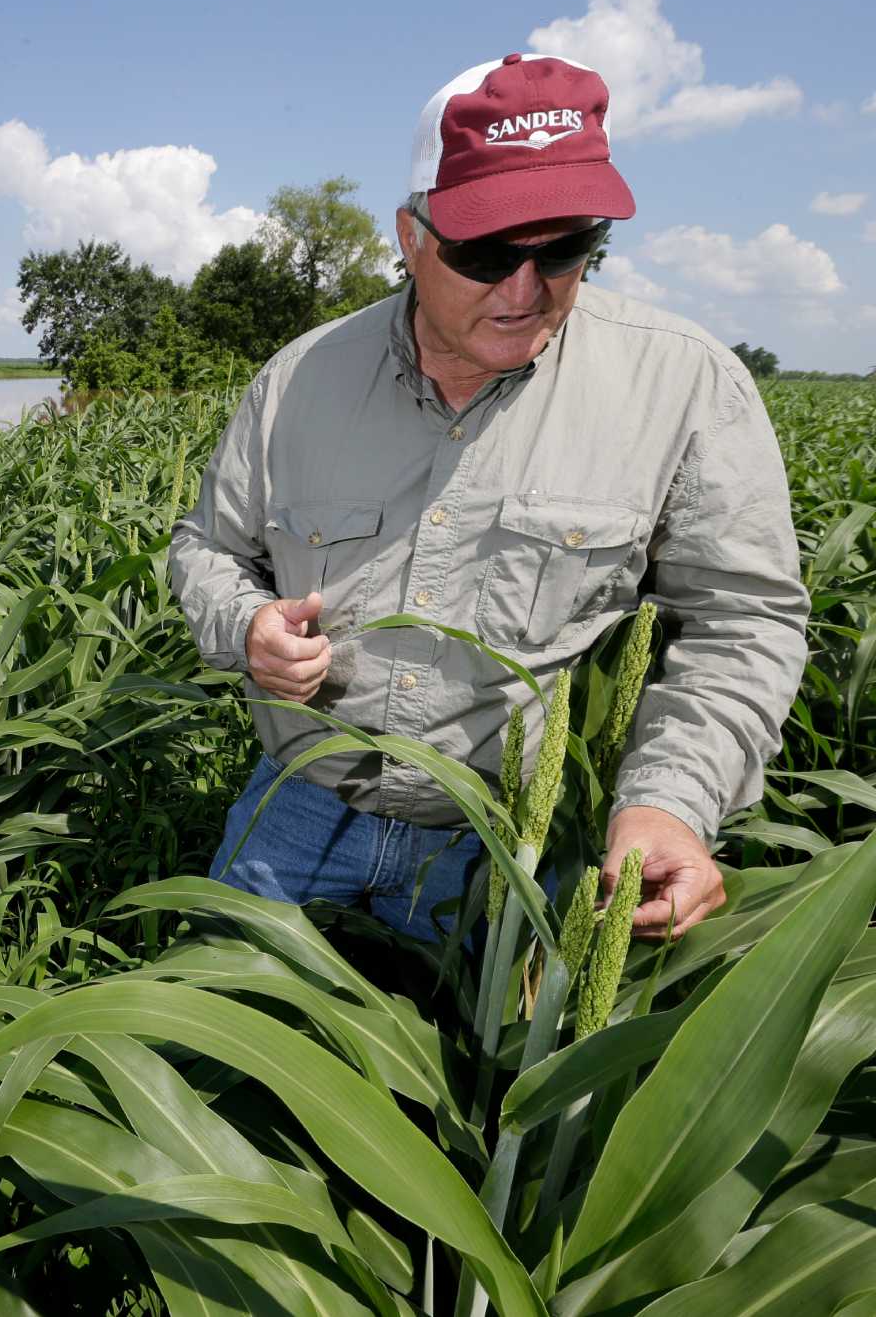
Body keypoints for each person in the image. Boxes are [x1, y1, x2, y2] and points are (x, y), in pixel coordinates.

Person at [167, 52, 809, 944]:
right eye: (485, 252)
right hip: (297, 813)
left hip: (512, 849)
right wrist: (246, 628)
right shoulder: (298, 382)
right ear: (410, 236)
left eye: (567, 249)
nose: (524, 289)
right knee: (212, 1064)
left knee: (477, 1087)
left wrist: (670, 802)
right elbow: (206, 546)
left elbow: (744, 619)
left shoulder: (687, 387)